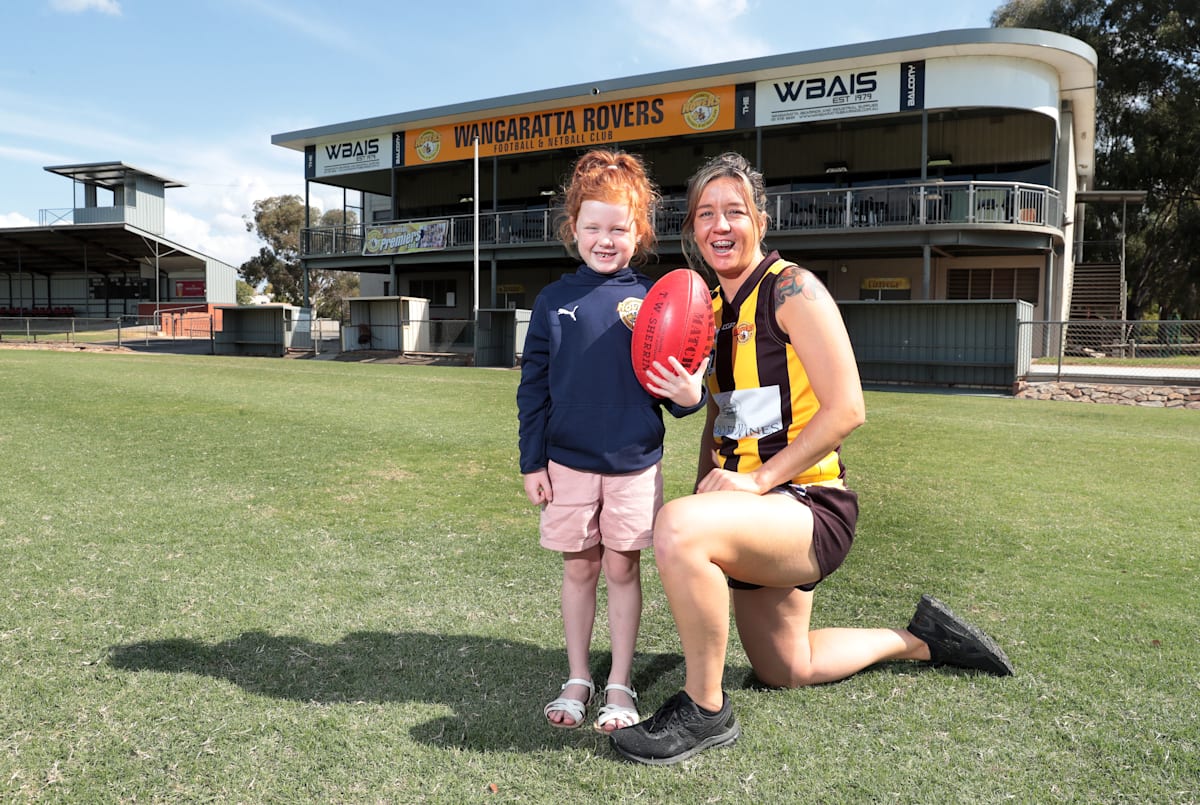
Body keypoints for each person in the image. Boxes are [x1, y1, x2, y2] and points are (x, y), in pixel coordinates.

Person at [609, 152, 1013, 765]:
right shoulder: (709, 312)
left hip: (806, 505)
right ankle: (922, 640)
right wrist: (706, 495)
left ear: (761, 221)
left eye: (734, 212)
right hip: (749, 512)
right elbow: (721, 417)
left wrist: (755, 484)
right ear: (692, 229)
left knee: (676, 525)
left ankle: (704, 709)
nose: (721, 226)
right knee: (785, 667)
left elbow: (847, 408)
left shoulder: (793, 289)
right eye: (706, 215)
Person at [517, 149, 708, 733]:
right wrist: (533, 463)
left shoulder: (659, 302)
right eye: (592, 227)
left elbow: (681, 394)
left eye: (619, 228)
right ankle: (579, 676)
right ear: (572, 228)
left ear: (639, 232)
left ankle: (619, 684)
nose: (605, 239)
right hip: (567, 462)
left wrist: (689, 395)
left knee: (623, 570)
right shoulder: (552, 301)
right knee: (580, 571)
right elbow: (533, 390)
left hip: (633, 464)